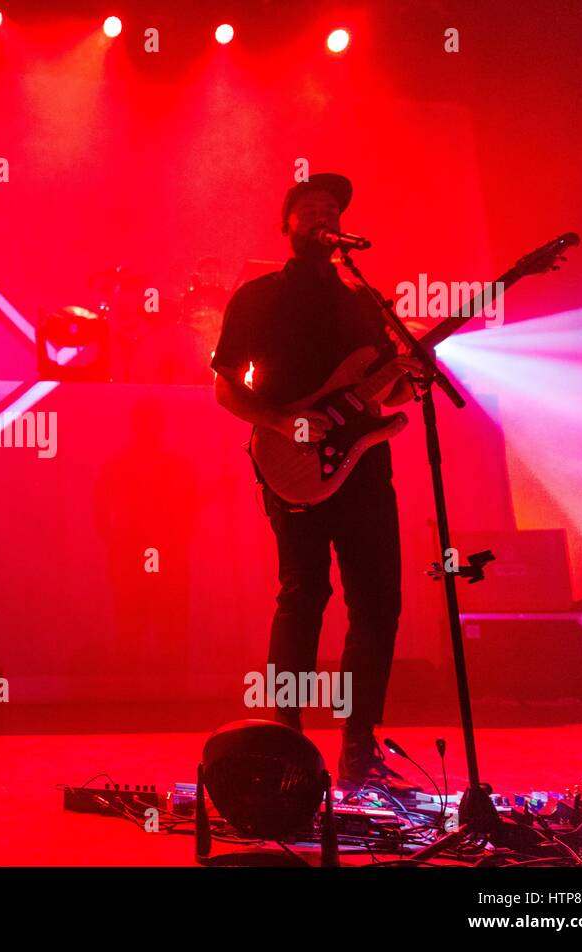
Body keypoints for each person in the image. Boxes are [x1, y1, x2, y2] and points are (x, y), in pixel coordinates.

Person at [210, 173, 422, 791]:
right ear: (287, 224)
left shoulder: (364, 301)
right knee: (303, 597)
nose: (323, 216)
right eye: (310, 209)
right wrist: (281, 422)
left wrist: (411, 378)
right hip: (290, 461)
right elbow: (224, 385)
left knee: (379, 601)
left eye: (332, 209)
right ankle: (286, 741)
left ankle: (359, 747)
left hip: (364, 465)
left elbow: (390, 387)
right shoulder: (258, 296)